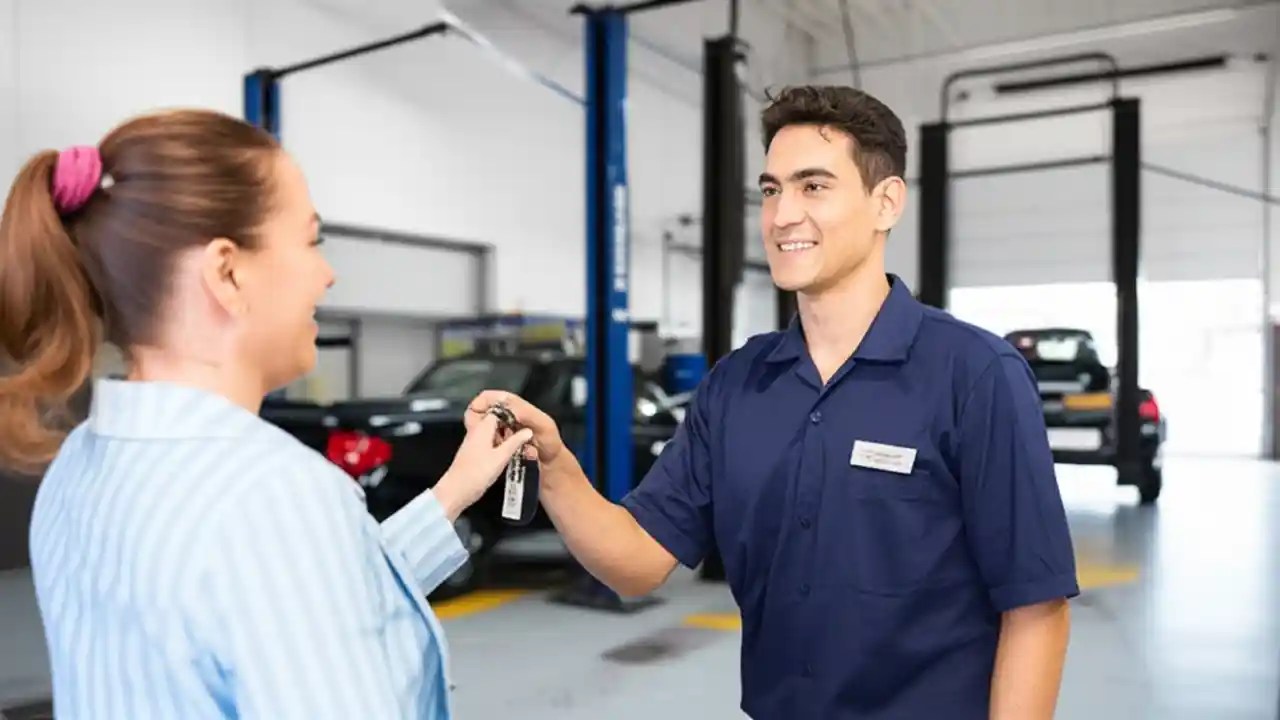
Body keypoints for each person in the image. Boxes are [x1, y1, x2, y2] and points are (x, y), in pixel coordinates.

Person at [467, 85, 1078, 719]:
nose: (783, 214)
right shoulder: (737, 384)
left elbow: (1035, 606)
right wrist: (556, 466)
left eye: (813, 186)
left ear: (885, 202)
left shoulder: (974, 374)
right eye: (770, 190)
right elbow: (636, 564)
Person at [0, 109, 532, 719]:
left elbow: (289, 596)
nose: (326, 274)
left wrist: (454, 491)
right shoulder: (277, 497)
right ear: (227, 272)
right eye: (311, 241)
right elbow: (280, 563)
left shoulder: (81, 463)